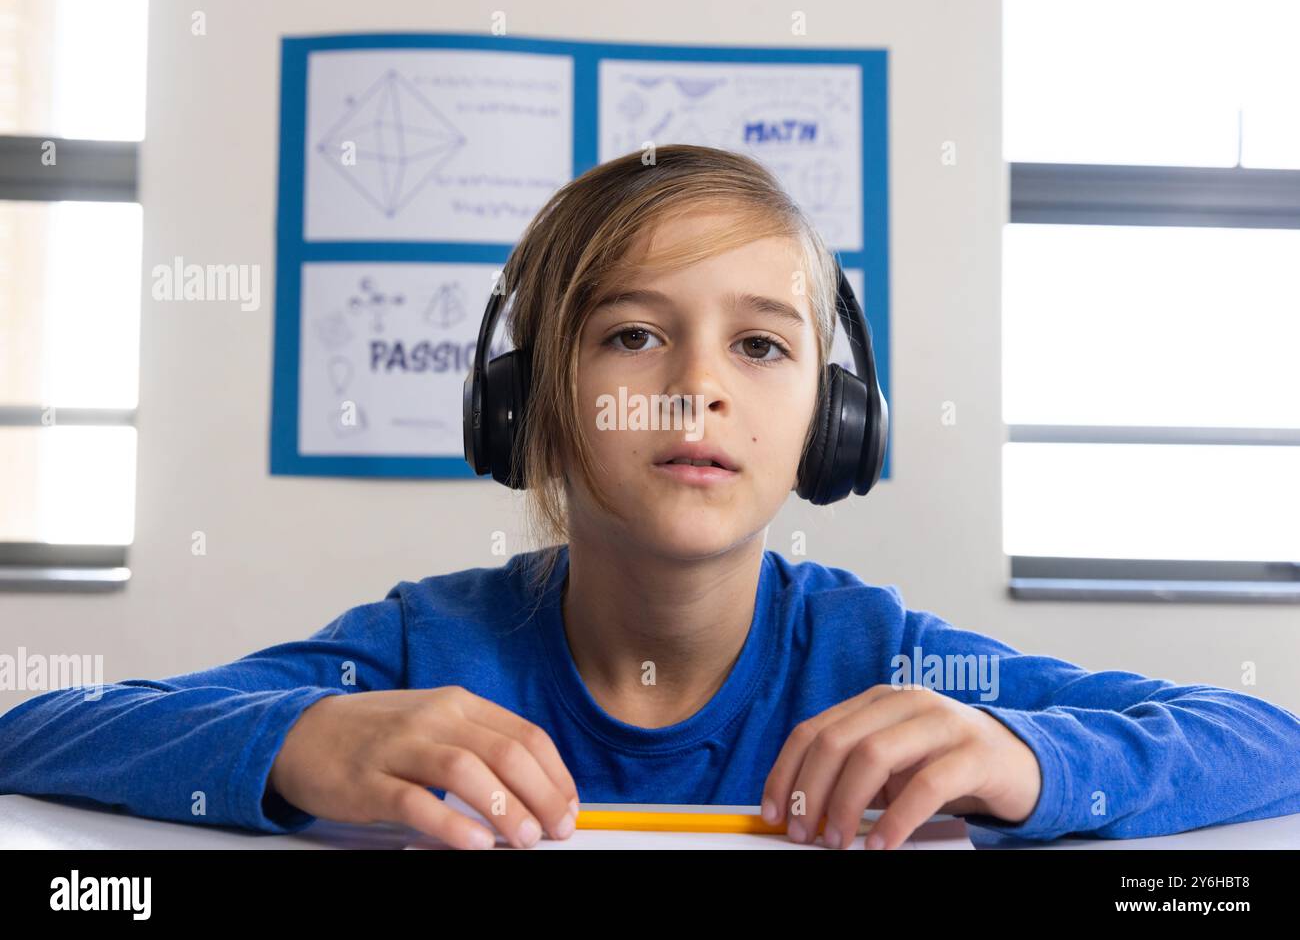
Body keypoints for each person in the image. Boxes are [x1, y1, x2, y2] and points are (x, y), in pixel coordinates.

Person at [3, 145, 1299, 850]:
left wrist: (1029, 757)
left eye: (761, 345)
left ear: (833, 422)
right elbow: (37, 732)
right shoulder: (420, 650)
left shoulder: (880, 656)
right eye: (631, 335)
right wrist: (290, 746)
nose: (695, 387)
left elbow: (1269, 741)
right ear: (531, 403)